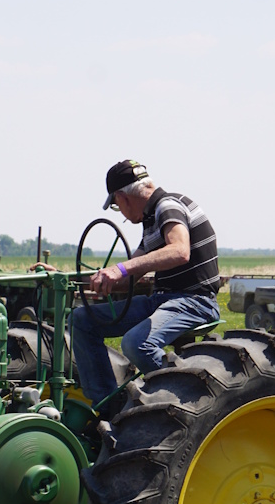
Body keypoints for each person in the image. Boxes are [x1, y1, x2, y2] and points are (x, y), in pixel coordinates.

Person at [70, 159, 221, 418]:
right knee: (82, 320)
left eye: (117, 207)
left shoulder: (168, 206)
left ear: (122, 198)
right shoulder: (152, 221)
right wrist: (72, 278)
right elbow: (130, 272)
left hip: (196, 301)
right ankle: (110, 413)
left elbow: (179, 251)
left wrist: (122, 269)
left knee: (137, 343)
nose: (124, 217)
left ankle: (184, 405)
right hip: (163, 300)